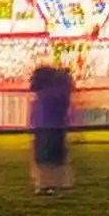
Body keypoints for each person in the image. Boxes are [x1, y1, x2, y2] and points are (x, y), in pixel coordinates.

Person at [28, 65, 72, 196]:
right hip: (56, 128)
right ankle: (55, 184)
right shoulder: (60, 92)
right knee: (54, 159)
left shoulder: (45, 95)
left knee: (45, 159)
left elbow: (37, 113)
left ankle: (46, 184)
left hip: (45, 128)